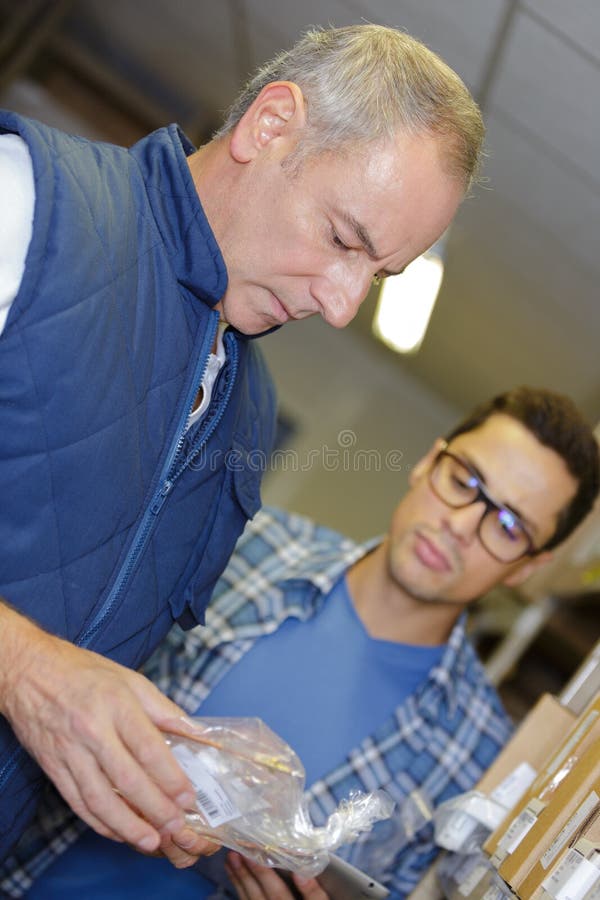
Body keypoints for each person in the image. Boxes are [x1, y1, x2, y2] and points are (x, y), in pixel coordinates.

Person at [0, 22, 483, 866]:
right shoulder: (29, 205)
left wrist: (179, 781)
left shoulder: (248, 413)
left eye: (378, 277)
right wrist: (25, 670)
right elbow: (46, 670)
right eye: (344, 240)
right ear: (270, 126)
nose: (342, 306)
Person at [5, 386, 598, 899]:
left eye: (508, 527)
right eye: (464, 480)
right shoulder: (244, 545)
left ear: (528, 567)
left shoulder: (479, 761)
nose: (461, 525)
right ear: (428, 462)